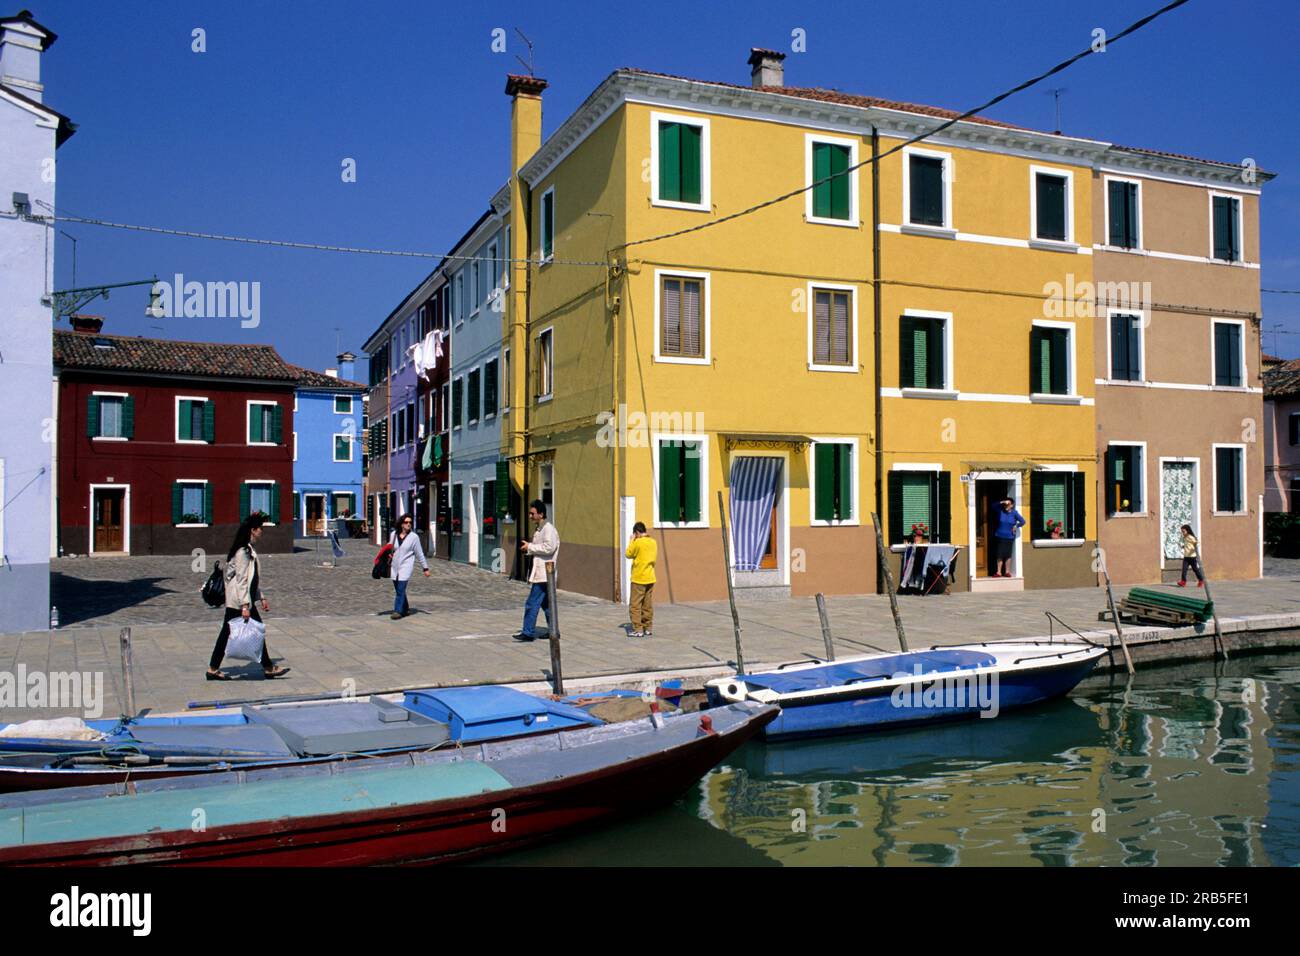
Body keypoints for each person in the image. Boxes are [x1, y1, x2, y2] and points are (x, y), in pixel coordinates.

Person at [207, 514, 290, 680]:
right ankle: (267, 667)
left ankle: (213, 668)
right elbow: (242, 580)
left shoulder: (247, 549)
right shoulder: (243, 552)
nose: (261, 532)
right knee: (249, 631)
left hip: (242, 600)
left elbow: (252, 579)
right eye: (260, 529)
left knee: (232, 632)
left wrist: (261, 597)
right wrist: (245, 606)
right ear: (253, 530)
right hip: (239, 601)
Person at [513, 499, 559, 642]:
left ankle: (528, 632)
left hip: (545, 574)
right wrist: (528, 548)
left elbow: (549, 548)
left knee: (532, 603)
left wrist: (531, 547)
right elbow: (540, 547)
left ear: (541, 514)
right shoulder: (540, 529)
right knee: (547, 605)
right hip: (543, 572)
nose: (530, 516)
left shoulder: (548, 529)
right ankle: (554, 631)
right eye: (530, 513)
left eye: (533, 513)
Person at [390, 513, 431, 619]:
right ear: (401, 524)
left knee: (400, 588)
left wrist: (425, 568)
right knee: (399, 589)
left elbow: (420, 553)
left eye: (410, 522)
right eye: (406, 522)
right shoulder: (393, 534)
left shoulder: (414, 537)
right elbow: (389, 548)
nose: (408, 524)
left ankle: (398, 611)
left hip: (406, 566)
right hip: (394, 567)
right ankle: (406, 608)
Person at [625, 521, 657, 638]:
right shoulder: (653, 542)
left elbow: (628, 554)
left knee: (635, 605)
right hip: (650, 577)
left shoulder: (637, 542)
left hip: (639, 578)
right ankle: (648, 627)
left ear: (637, 532)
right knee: (647, 604)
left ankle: (638, 629)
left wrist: (631, 541)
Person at [992, 497, 1025, 578]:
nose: (1006, 506)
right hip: (1000, 535)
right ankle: (999, 572)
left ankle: (1007, 572)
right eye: (1005, 504)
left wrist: (1016, 526)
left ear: (1012, 505)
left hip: (1009, 537)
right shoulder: (1000, 512)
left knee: (1007, 554)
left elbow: (1023, 521)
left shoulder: (1014, 513)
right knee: (999, 554)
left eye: (1008, 504)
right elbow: (993, 506)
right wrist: (1002, 501)